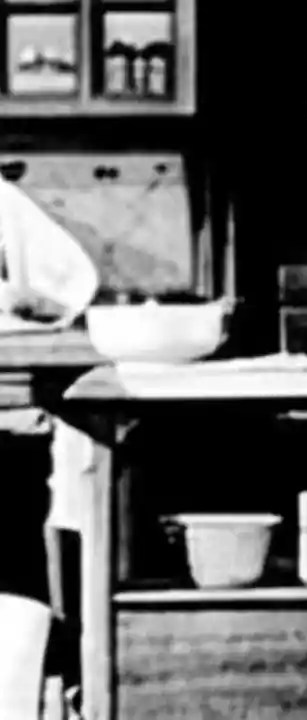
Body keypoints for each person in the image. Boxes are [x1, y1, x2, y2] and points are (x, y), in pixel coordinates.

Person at [0, 175, 98, 719]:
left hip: (7, 433)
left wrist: (34, 302)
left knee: (14, 615)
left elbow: (69, 286)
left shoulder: (2, 205)